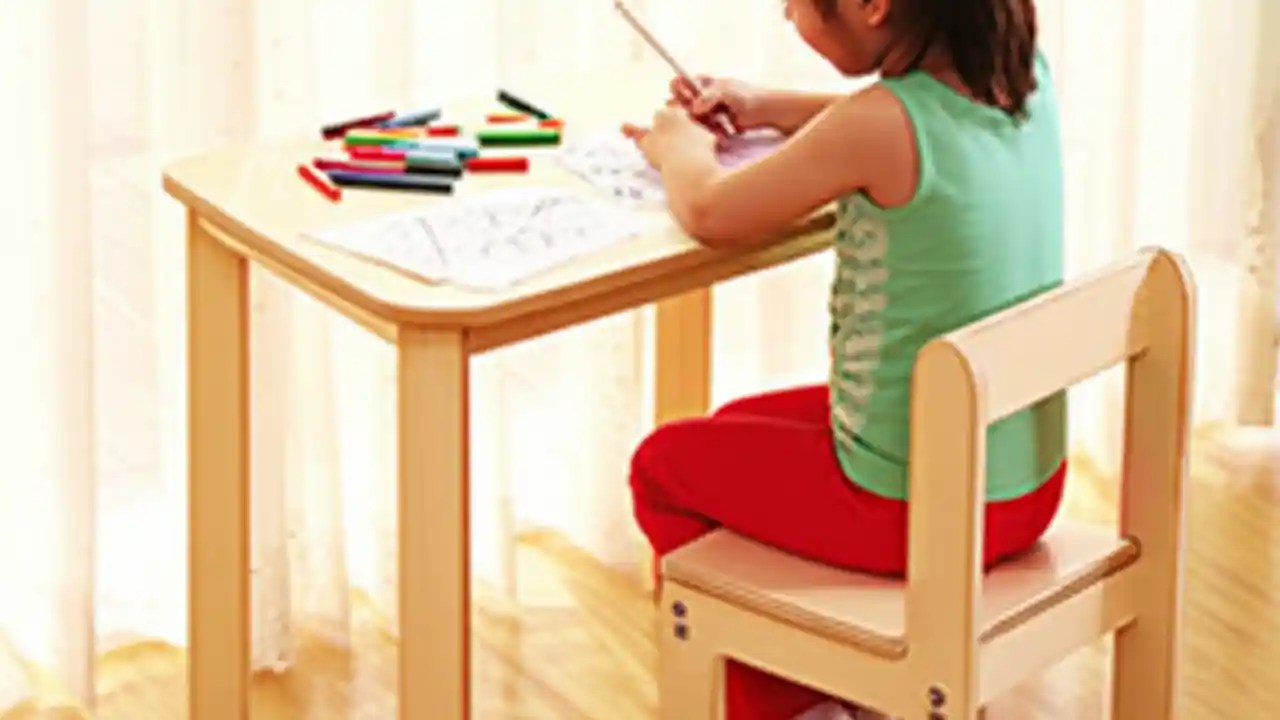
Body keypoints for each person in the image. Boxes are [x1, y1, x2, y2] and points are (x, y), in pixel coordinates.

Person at [622, 1, 1065, 718]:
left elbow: (711, 212)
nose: (788, 15)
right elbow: (884, 121)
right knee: (734, 428)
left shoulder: (880, 126)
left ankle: (797, 704)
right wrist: (764, 105)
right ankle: (839, 684)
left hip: (911, 505)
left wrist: (678, 147)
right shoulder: (1021, 78)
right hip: (1019, 485)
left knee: (665, 469)